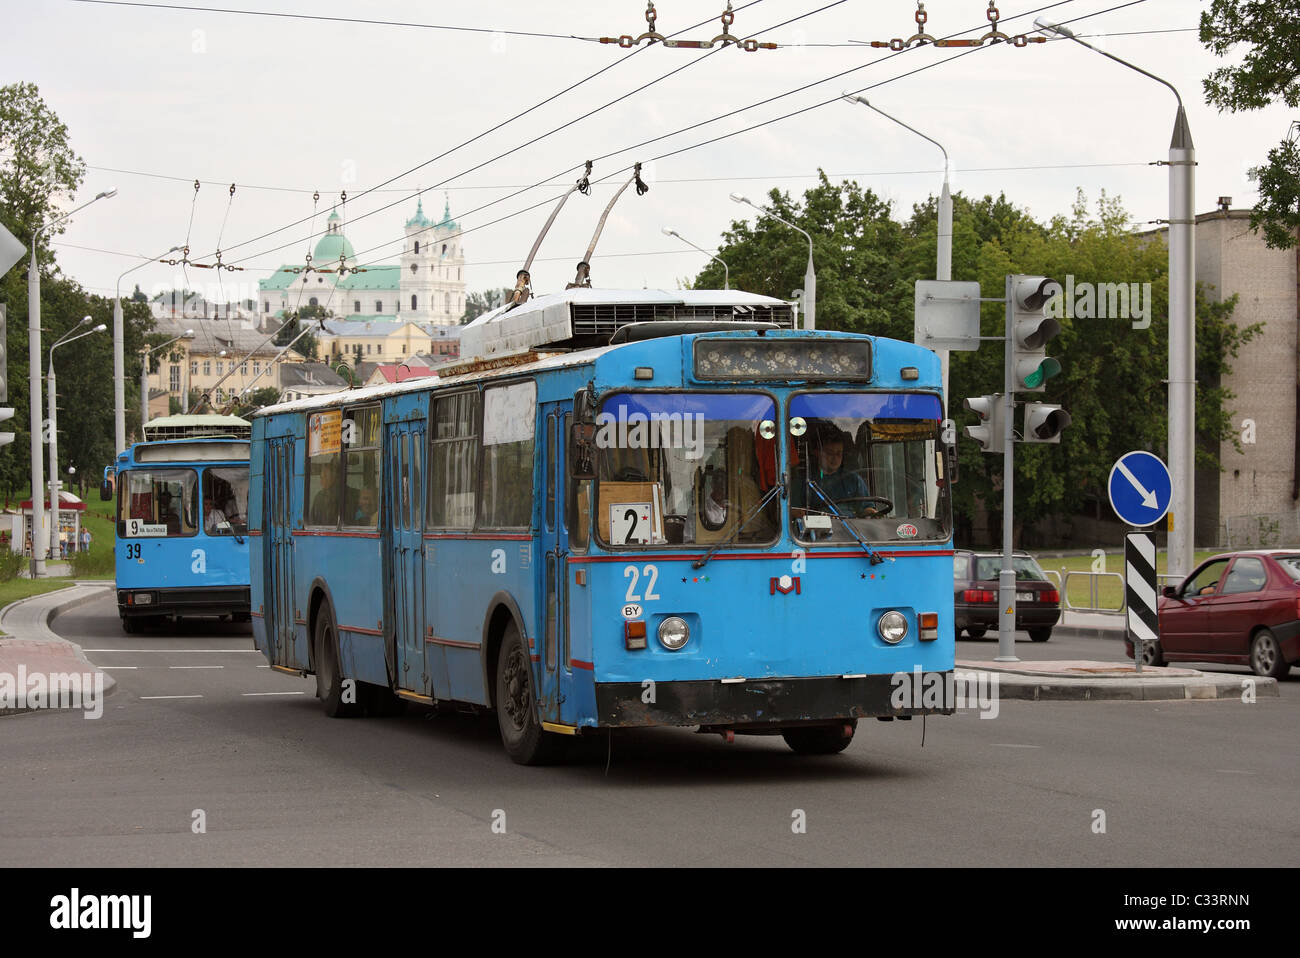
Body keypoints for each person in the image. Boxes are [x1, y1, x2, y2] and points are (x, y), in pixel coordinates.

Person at [792, 430, 877, 518]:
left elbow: (866, 509)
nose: (835, 458)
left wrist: (872, 513)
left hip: (850, 529)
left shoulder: (853, 479)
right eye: (830, 453)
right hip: (817, 529)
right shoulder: (803, 481)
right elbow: (793, 511)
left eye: (838, 453)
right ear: (817, 452)